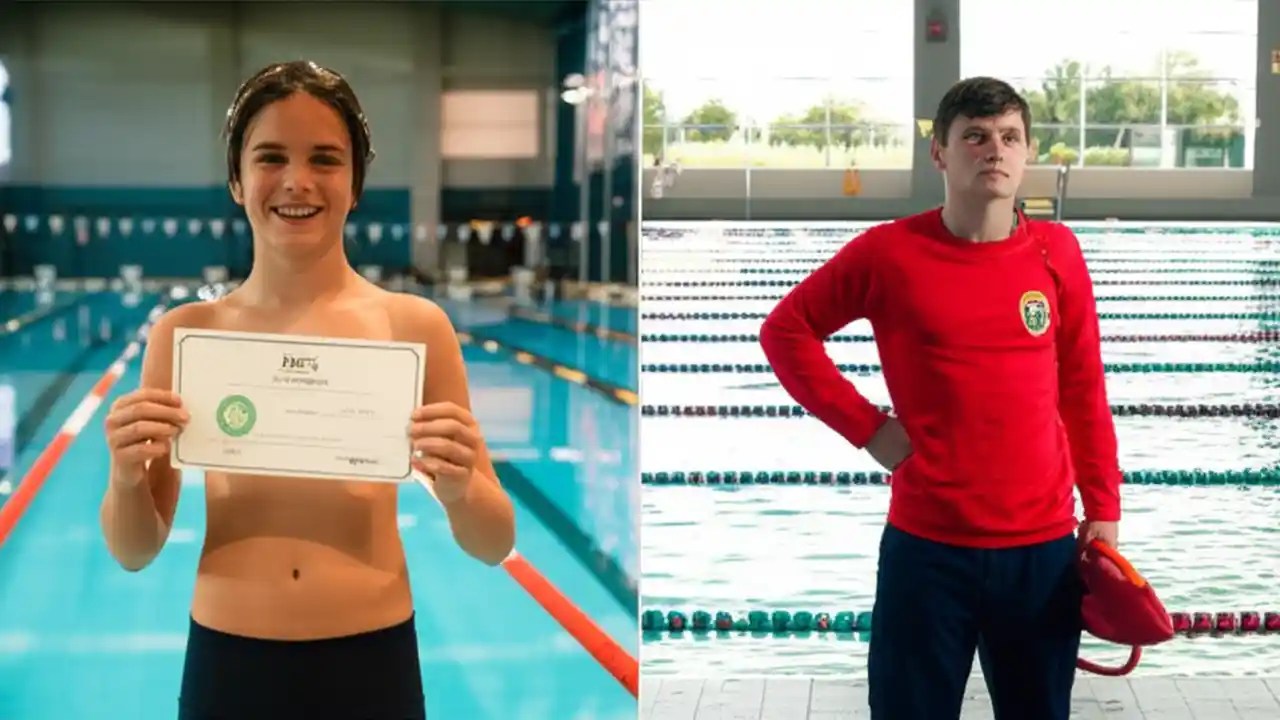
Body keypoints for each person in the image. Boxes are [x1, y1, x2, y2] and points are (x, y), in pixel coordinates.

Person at [98, 61, 517, 720]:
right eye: (270, 158)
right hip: (229, 660)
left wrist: (462, 489)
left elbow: (493, 544)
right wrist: (125, 476)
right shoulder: (187, 336)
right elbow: (133, 551)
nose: (297, 181)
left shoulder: (411, 327)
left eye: (326, 159)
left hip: (371, 661)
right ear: (237, 180)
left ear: (355, 185)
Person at [758, 76, 1122, 720]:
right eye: (975, 137)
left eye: (1010, 137)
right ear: (940, 152)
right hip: (927, 550)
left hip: (1039, 551)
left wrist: (1104, 507)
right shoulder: (890, 252)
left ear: (1027, 151)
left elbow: (1083, 389)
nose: (994, 151)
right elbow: (786, 331)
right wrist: (867, 427)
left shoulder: (1056, 252)